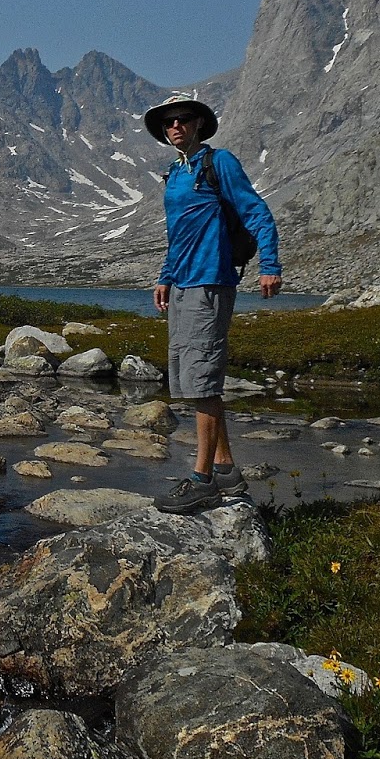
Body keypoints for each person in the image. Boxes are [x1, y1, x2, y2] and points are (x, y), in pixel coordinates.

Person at [141, 91, 282, 514]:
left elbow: (256, 212)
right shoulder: (175, 173)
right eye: (168, 121)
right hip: (182, 285)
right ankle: (226, 471)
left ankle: (202, 480)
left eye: (183, 118)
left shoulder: (219, 163)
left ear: (199, 123)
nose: (175, 126)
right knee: (191, 379)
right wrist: (166, 276)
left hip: (211, 282)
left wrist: (270, 264)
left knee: (203, 380)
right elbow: (179, 234)